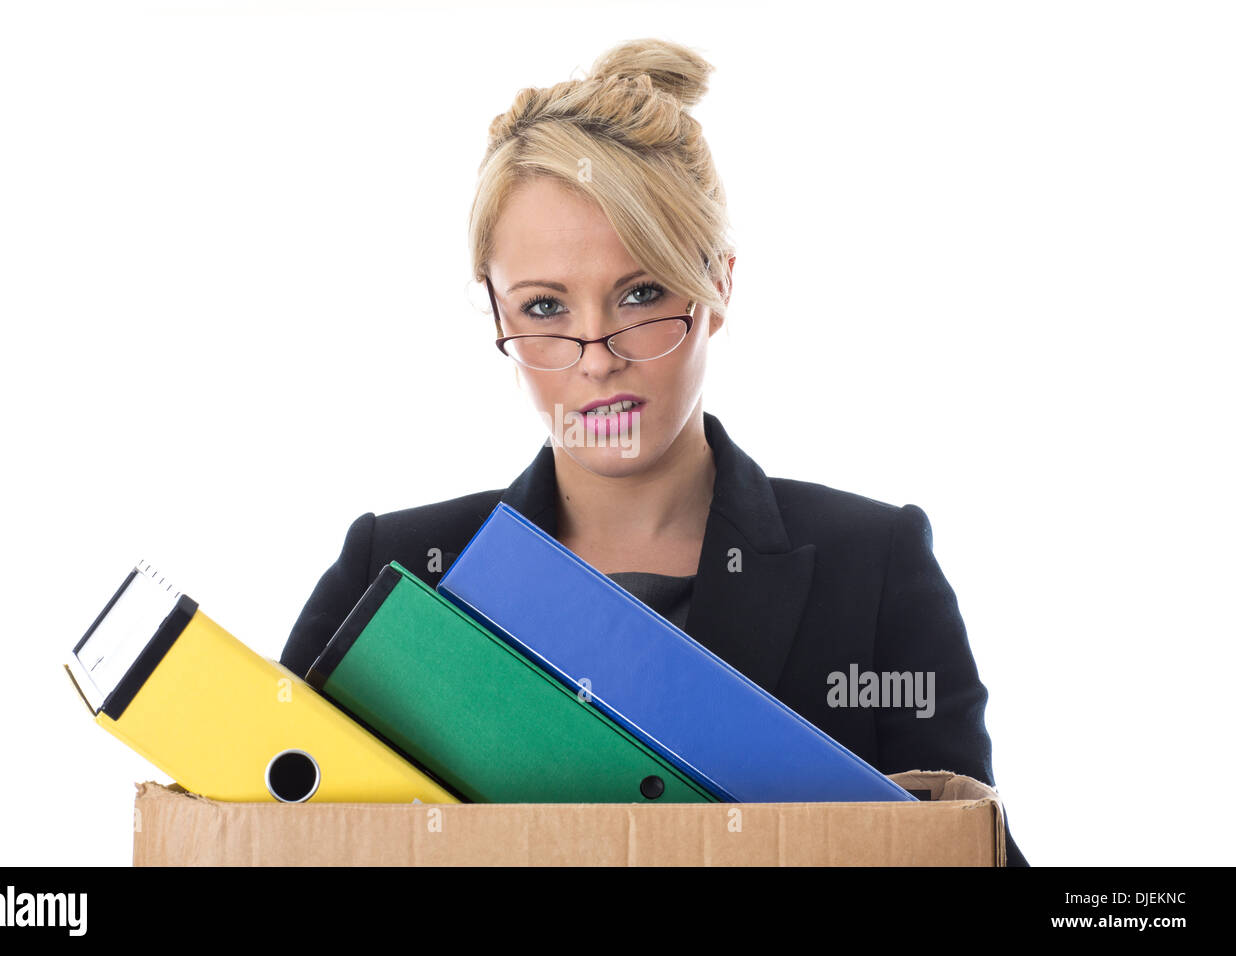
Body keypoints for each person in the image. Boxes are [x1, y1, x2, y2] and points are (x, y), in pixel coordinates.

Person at [280, 37, 1027, 866]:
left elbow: (968, 855)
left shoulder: (875, 569)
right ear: (495, 310)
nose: (596, 354)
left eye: (641, 294)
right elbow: (263, 840)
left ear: (718, 285)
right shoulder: (395, 575)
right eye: (544, 306)